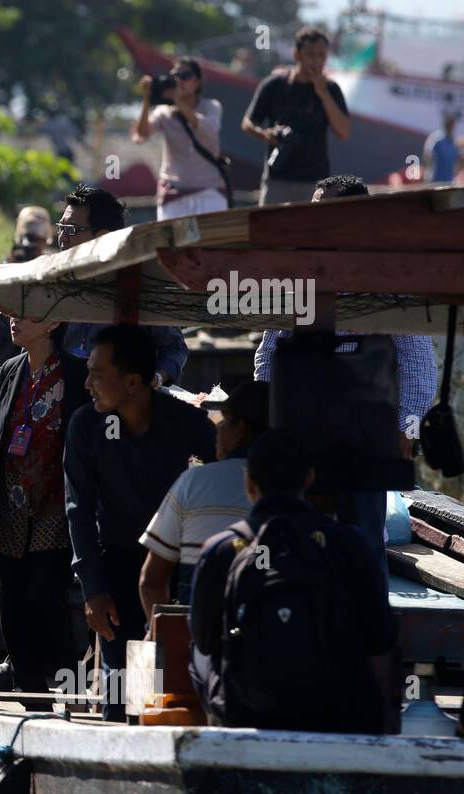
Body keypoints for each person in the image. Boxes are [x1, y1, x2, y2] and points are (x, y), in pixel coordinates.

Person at [252, 174, 435, 561]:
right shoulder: (298, 274)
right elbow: (270, 353)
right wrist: (262, 415)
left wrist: (408, 427)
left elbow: (418, 362)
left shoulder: (388, 278)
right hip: (300, 432)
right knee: (295, 541)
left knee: (363, 541)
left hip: (367, 436)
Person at [188, 429, 395, 733]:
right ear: (309, 479)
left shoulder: (221, 550)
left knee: (196, 652)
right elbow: (381, 636)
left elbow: (205, 640)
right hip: (337, 711)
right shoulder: (348, 545)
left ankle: (221, 730)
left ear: (248, 483)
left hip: (246, 711)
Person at [64, 325, 216, 721]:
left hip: (177, 568)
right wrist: (92, 588)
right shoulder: (86, 426)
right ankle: (120, 742)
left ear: (132, 382)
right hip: (115, 560)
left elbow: (229, 474)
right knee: (121, 683)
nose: (87, 384)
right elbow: (78, 508)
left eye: (97, 375)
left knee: (163, 681)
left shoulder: (185, 422)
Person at [0, 316, 88, 700]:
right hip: (10, 501)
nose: (14, 321)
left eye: (26, 316)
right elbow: (2, 436)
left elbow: (89, 439)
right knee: (11, 598)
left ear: (53, 324)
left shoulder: (77, 375)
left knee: (47, 595)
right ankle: (27, 685)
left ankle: (68, 682)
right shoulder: (11, 369)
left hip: (54, 502)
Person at [138, 380, 267, 618]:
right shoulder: (300, 486)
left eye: (225, 421)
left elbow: (151, 582)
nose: (218, 429)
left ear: (241, 428)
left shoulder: (195, 482)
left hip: (200, 643)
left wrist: (159, 636)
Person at [54, 185, 189, 385]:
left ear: (102, 237)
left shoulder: (139, 287)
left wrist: (157, 377)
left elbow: (174, 348)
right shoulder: (51, 283)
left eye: (71, 230)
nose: (62, 238)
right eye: (61, 228)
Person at [242, 27, 351, 206]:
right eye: (310, 54)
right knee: (270, 230)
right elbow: (248, 122)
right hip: (277, 180)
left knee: (311, 233)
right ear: (297, 55)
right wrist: (264, 134)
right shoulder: (274, 86)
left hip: (314, 182)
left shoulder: (331, 90)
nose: (316, 61)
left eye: (321, 55)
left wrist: (323, 94)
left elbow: (344, 132)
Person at [131, 57, 228, 220]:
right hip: (174, 193)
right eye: (175, 75)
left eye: (186, 75)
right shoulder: (164, 112)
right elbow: (141, 135)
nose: (179, 80)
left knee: (212, 243)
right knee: (171, 244)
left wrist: (178, 102)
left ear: (197, 82)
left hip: (209, 191)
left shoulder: (211, 107)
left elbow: (208, 129)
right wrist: (147, 99)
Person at [0, 206, 52, 380]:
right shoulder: (2, 269)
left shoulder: (51, 269)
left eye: (36, 238)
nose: (31, 244)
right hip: (2, 353)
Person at [423, 112, 460, 184]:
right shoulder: (436, 138)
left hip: (448, 184)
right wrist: (428, 174)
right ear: (445, 124)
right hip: (434, 182)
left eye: (452, 123)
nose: (451, 126)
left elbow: (457, 162)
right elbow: (426, 157)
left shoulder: (454, 143)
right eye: (449, 123)